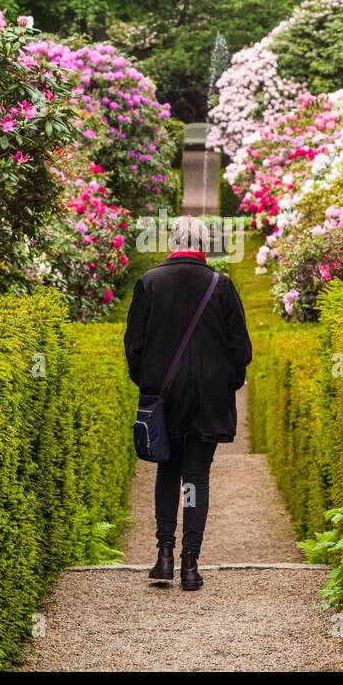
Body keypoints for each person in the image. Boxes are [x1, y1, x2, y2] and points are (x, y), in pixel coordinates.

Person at [123, 215, 252, 590]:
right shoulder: (221, 285)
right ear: (202, 245)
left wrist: (149, 384)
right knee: (195, 478)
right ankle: (190, 564)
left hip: (164, 396)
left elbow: (134, 347)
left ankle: (163, 556)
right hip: (208, 398)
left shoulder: (149, 283)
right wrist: (228, 382)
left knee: (167, 471)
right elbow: (240, 348)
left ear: (171, 242)